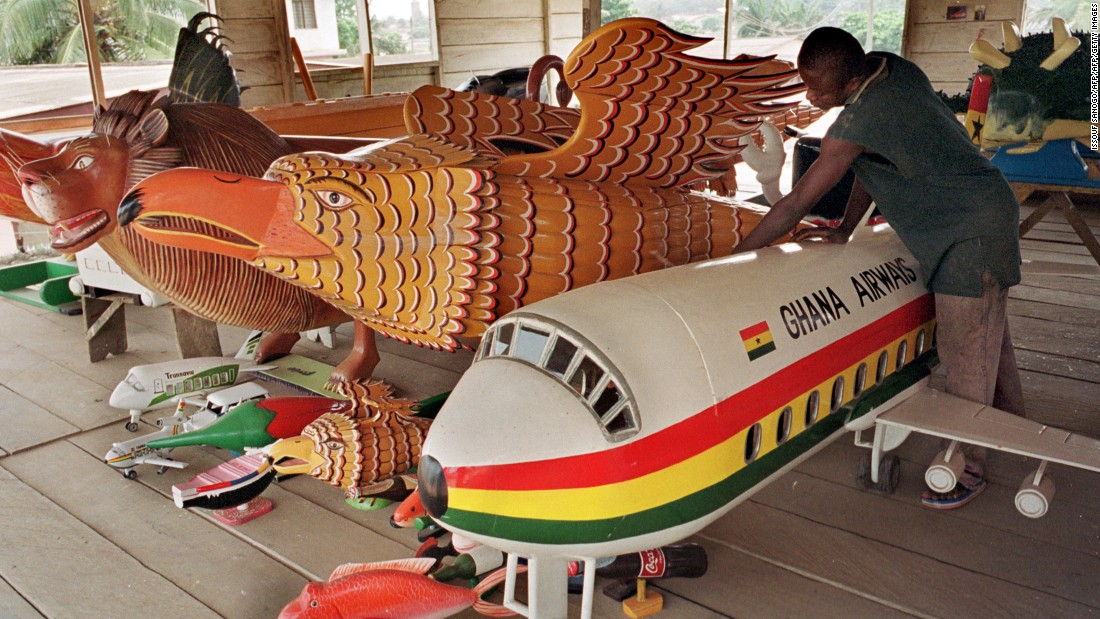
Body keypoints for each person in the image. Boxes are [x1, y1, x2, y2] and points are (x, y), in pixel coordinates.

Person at [735, 27, 1026, 509]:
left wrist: (737, 258)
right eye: (805, 82)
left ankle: (966, 467)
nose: (810, 95)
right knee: (990, 335)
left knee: (963, 353)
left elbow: (792, 205)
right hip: (986, 209)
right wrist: (846, 229)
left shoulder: (854, 125)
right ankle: (1014, 430)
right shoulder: (895, 70)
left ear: (850, 84)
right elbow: (876, 165)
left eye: (818, 88)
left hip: (968, 229)